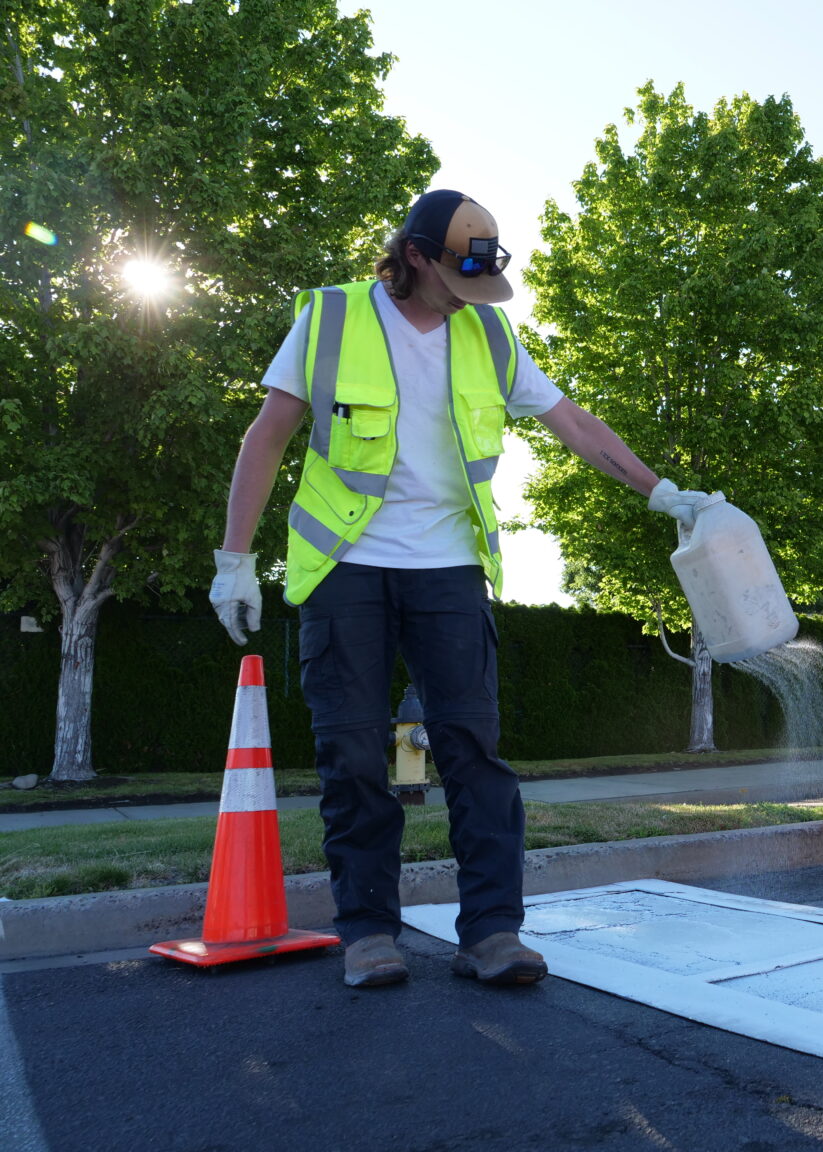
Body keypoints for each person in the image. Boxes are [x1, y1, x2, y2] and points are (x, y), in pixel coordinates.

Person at [209, 189, 707, 986]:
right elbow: (267, 435)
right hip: (347, 567)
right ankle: (369, 934)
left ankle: (492, 934)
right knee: (352, 755)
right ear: (414, 256)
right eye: (456, 276)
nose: (470, 297)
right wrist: (235, 560)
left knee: (473, 751)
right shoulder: (333, 319)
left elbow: (571, 422)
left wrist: (661, 492)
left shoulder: (489, 333)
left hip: (448, 568)